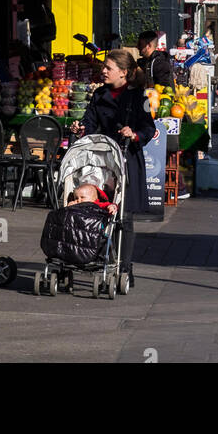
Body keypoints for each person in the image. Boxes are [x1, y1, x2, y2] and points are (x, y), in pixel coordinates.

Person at [75, 49, 156, 286]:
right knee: (100, 210)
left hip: (126, 159)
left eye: (108, 68)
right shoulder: (99, 94)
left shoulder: (137, 96)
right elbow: (89, 122)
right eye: (104, 67)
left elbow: (149, 128)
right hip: (101, 161)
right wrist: (81, 129)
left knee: (125, 217)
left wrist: (134, 133)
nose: (103, 71)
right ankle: (103, 261)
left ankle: (125, 268)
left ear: (124, 73)